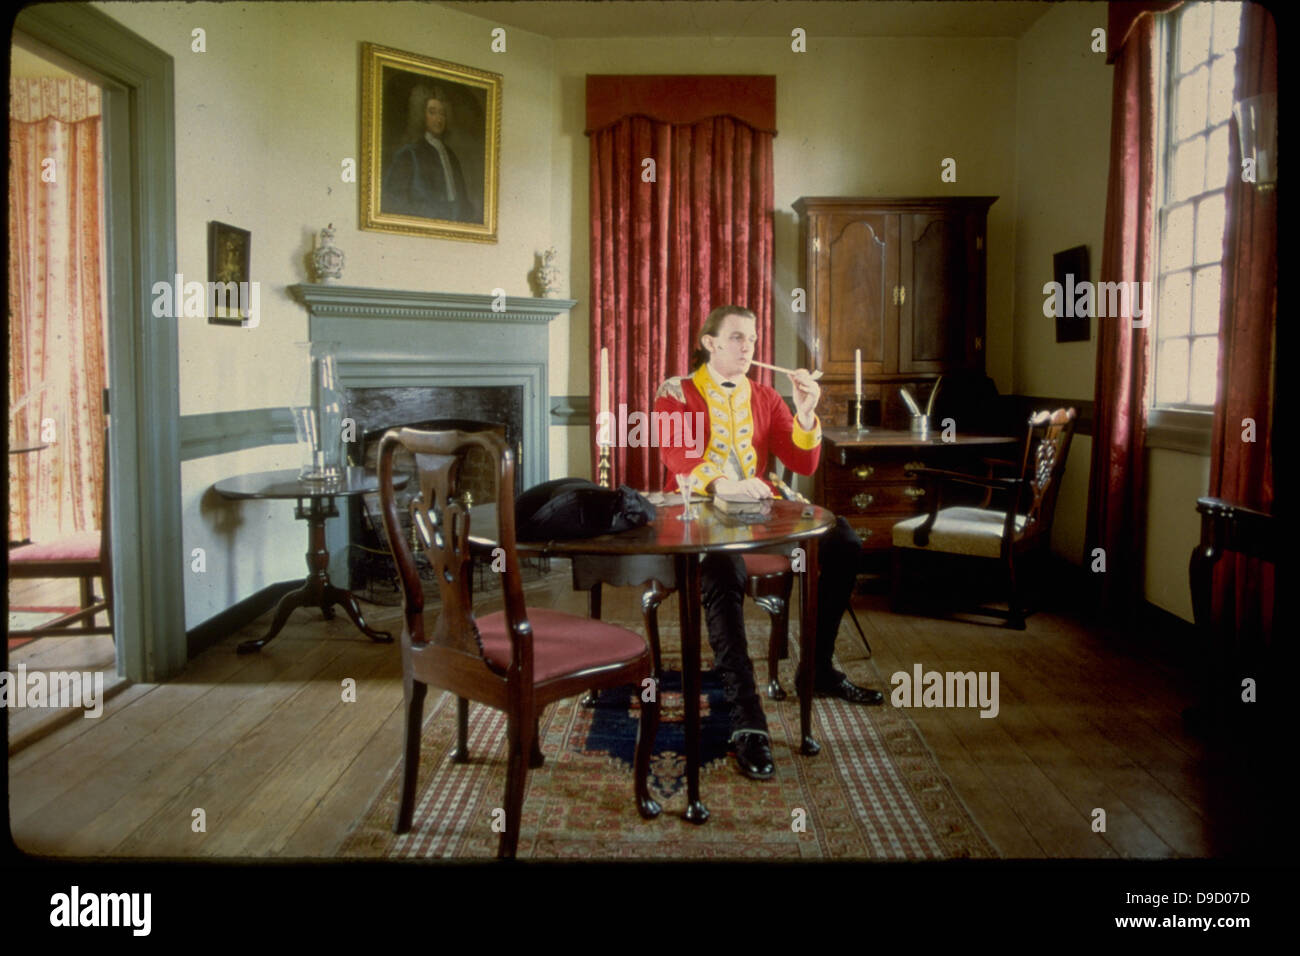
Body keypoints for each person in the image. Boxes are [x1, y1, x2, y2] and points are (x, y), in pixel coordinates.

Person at [653, 305, 883, 781]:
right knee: (722, 571)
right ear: (710, 343)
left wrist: (804, 409)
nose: (748, 347)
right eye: (737, 338)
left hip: (763, 510)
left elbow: (802, 460)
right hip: (704, 512)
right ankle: (747, 719)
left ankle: (816, 669)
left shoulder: (765, 395)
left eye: (752, 340)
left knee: (843, 542)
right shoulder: (676, 394)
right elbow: (676, 457)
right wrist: (722, 486)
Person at [381, 85, 476, 223]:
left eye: (442, 113)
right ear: (421, 115)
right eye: (432, 112)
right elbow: (393, 199)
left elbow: (462, 200)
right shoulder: (409, 154)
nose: (438, 119)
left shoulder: (451, 155)